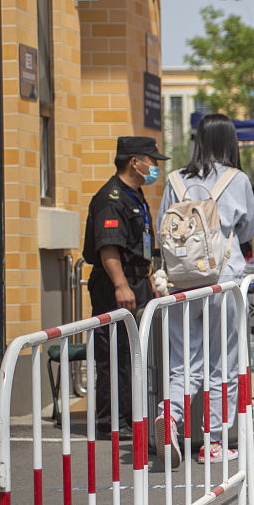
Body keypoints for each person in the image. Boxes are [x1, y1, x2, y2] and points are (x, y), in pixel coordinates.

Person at [157, 114, 254, 465]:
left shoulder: (175, 179)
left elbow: (162, 227)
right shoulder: (237, 179)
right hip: (222, 281)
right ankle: (213, 442)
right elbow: (247, 231)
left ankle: (170, 417)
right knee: (222, 362)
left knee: (182, 362)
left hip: (181, 283)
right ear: (230, 141)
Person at [83, 136, 169, 437]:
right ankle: (111, 423)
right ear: (135, 162)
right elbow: (109, 249)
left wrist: (147, 281)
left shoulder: (135, 195)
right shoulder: (112, 198)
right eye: (152, 160)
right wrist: (121, 285)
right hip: (115, 284)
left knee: (133, 352)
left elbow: (140, 246)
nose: (154, 166)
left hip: (136, 280)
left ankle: (133, 417)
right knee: (114, 353)